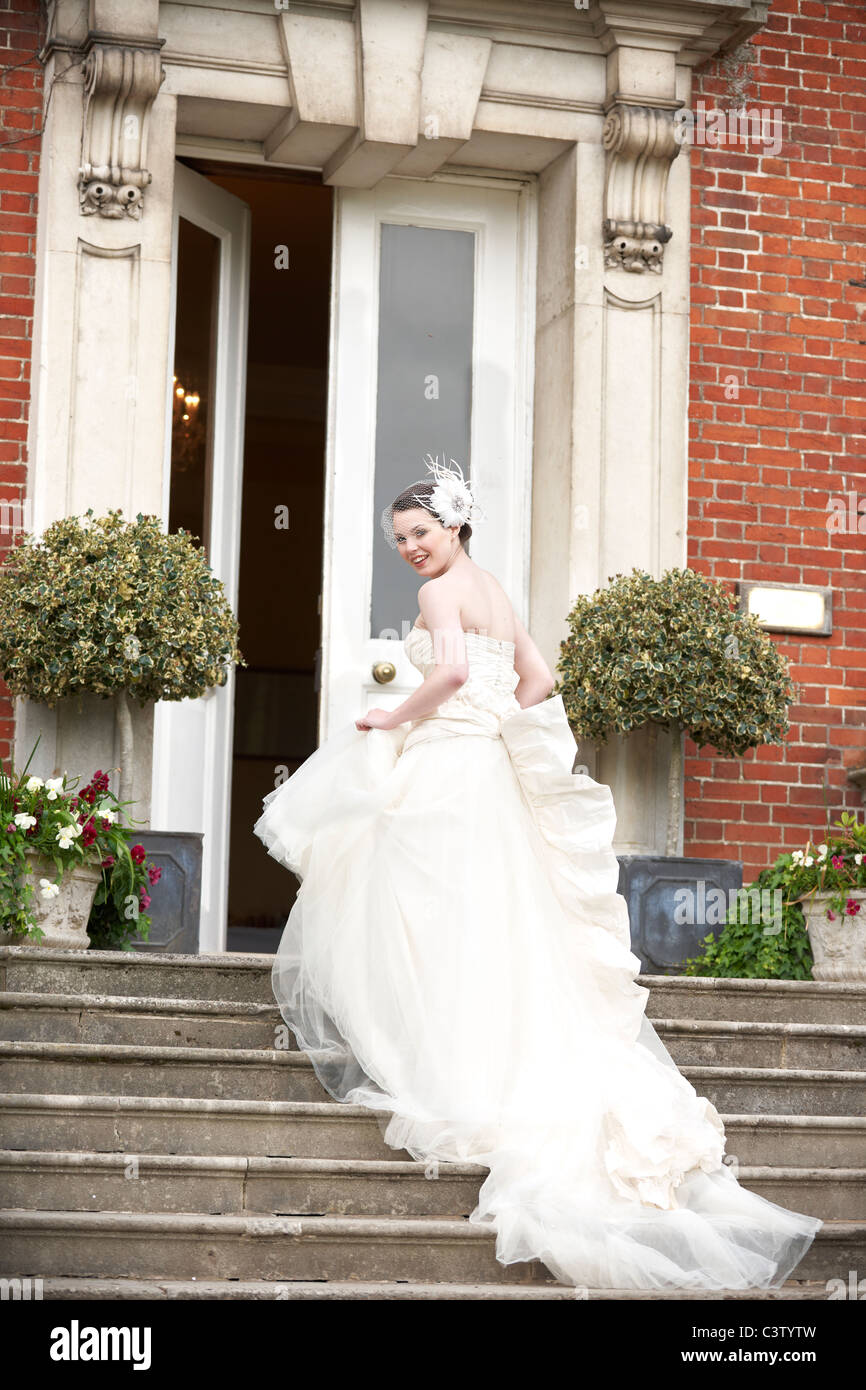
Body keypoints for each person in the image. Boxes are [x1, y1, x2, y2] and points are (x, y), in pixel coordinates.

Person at [253, 456, 822, 1292]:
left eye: (421, 532)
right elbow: (540, 679)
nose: (410, 548)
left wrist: (391, 714)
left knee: (425, 913)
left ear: (454, 526)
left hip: (449, 767)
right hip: (488, 769)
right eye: (400, 538)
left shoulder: (438, 595)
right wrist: (493, 725)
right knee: (494, 922)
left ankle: (443, 1058)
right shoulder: (494, 587)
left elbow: (446, 674)